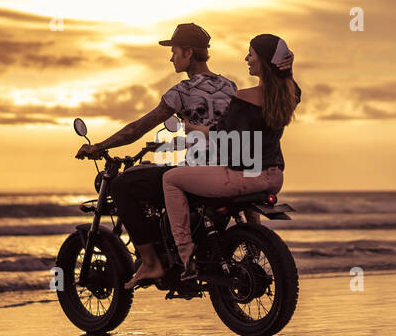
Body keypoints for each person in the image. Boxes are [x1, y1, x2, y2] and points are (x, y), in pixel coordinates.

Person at [74, 22, 237, 288]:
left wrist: (99, 146)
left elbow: (137, 128)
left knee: (122, 185)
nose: (171, 57)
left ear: (188, 53)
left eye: (174, 51)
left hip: (197, 173)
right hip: (230, 167)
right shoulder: (229, 86)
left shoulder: (181, 92)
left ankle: (151, 263)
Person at [160, 33, 301, 281]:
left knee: (171, 178)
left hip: (245, 176)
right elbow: (287, 83)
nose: (247, 58)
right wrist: (286, 71)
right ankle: (253, 246)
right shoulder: (290, 94)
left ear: (264, 61)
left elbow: (221, 134)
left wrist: (194, 129)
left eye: (251, 54)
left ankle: (185, 251)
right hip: (274, 176)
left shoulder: (244, 97)